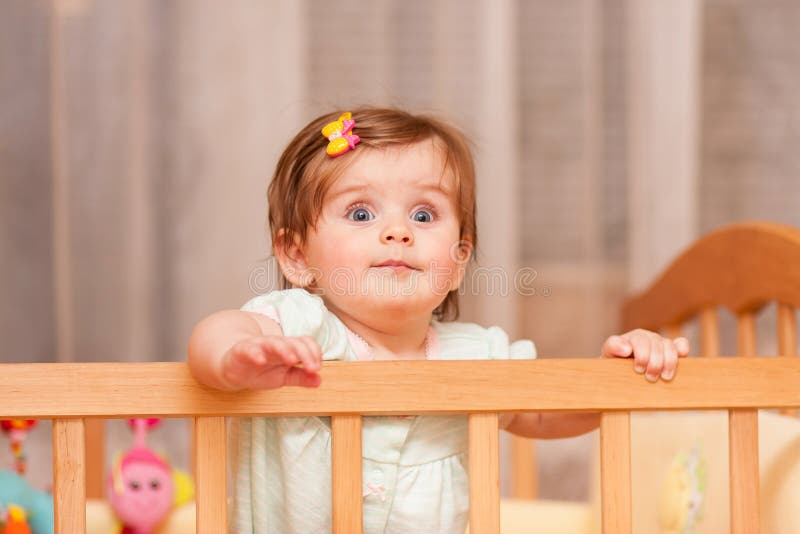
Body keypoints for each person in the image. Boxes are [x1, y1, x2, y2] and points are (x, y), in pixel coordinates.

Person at [187, 108, 690, 533]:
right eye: (361, 213)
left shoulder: (478, 356)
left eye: (424, 215)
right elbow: (217, 334)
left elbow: (543, 412)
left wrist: (614, 377)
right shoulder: (299, 330)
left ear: (460, 260)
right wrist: (237, 359)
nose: (398, 231)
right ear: (296, 255)